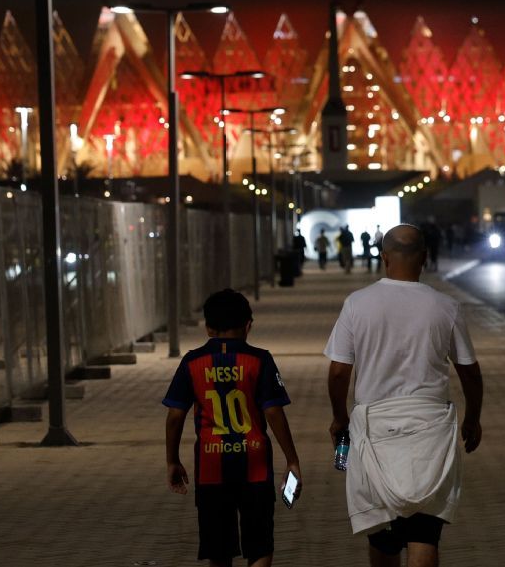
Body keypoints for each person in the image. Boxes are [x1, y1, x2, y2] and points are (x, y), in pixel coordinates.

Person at [324, 224, 484, 567]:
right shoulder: (446, 306)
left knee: (383, 534)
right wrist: (472, 417)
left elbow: (339, 372)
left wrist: (340, 417)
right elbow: (469, 371)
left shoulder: (357, 304)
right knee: (424, 532)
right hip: (431, 427)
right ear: (424, 259)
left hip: (374, 427)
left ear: (384, 258)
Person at [164, 289, 302, 567]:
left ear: (207, 327)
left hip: (211, 467)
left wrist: (172, 460)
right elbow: (273, 411)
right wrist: (292, 459)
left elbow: (175, 415)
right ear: (248, 324)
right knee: (260, 544)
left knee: (219, 550)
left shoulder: (192, 362)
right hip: (255, 465)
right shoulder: (260, 360)